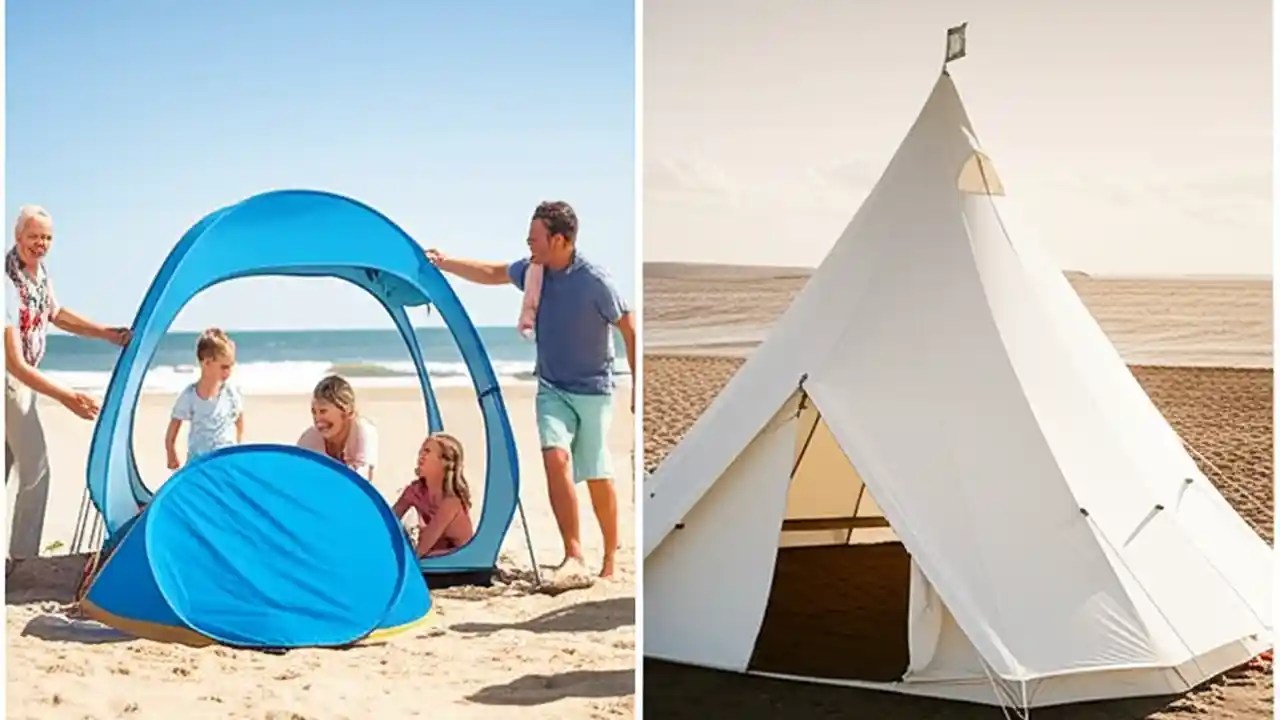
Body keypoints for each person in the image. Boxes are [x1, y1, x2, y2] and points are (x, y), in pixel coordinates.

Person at [426, 200, 635, 583]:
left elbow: (630, 330)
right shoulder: (535, 271)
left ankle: (609, 557)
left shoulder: (596, 282)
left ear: (560, 240)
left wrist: (639, 384)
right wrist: (445, 262)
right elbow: (493, 272)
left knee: (596, 472)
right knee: (555, 459)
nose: (528, 243)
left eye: (534, 237)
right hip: (552, 387)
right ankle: (573, 553)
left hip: (594, 390)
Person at [4, 205, 131, 571]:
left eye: (47, 237)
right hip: (11, 382)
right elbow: (14, 365)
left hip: (21, 380)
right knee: (37, 470)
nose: (41, 243)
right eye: (34, 236)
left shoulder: (39, 274)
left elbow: (56, 314)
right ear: (17, 237)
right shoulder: (6, 282)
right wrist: (68, 397)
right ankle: (23, 561)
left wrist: (105, 333)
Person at [165, 328, 244, 469]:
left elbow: (239, 419)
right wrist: (171, 452)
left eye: (231, 366)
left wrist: (237, 444)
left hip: (225, 460)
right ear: (206, 363)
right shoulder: (190, 395)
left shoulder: (230, 393)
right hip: (199, 462)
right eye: (224, 367)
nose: (229, 372)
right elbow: (174, 424)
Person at [392, 432, 475, 558]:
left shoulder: (451, 502)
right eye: (421, 451)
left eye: (427, 451)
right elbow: (389, 520)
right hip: (434, 560)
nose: (421, 455)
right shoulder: (416, 490)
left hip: (460, 562)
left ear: (444, 462)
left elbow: (421, 549)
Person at [297, 375, 379, 481]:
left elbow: (361, 483)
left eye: (323, 411)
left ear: (347, 412)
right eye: (314, 412)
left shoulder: (363, 432)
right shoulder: (309, 439)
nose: (317, 419)